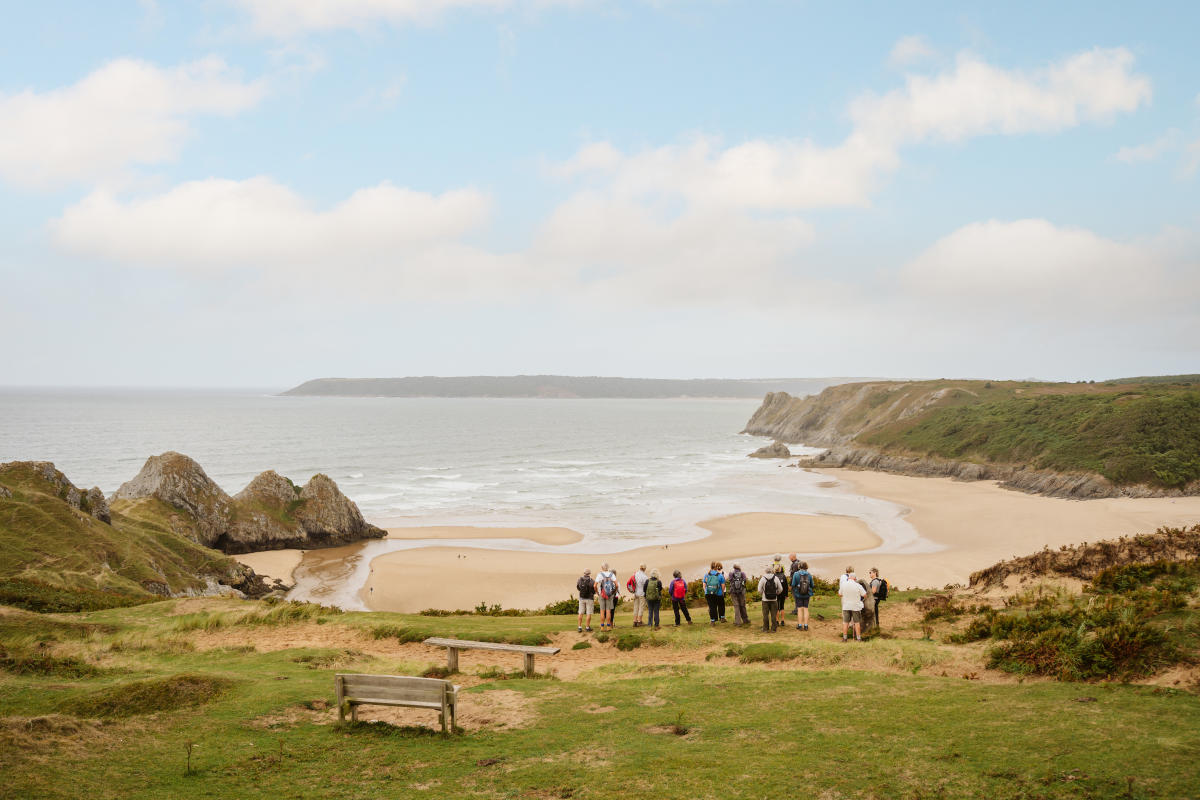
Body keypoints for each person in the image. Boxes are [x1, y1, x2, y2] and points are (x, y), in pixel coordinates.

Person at [839, 570, 867, 642]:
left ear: (849, 578)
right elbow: (865, 595)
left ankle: (845, 638)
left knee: (846, 623)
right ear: (855, 579)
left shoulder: (843, 584)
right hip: (855, 606)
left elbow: (839, 594)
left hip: (846, 606)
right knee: (857, 623)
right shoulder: (858, 585)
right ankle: (858, 639)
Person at [791, 560, 814, 631]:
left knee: (800, 609)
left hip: (798, 594)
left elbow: (793, 584)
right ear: (806, 566)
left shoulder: (796, 574)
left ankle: (800, 625)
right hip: (807, 594)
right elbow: (812, 585)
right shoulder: (809, 574)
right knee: (806, 609)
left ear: (799, 566)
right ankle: (806, 625)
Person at [758, 565, 783, 632]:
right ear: (772, 570)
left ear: (765, 571)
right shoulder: (776, 578)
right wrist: (776, 593)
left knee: (765, 615)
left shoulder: (763, 578)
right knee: (773, 615)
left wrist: (763, 594)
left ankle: (765, 628)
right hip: (774, 599)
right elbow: (780, 589)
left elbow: (759, 590)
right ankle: (773, 628)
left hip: (765, 600)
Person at [596, 562, 619, 631]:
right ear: (608, 567)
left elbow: (595, 585)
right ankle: (608, 626)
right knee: (608, 610)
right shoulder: (612, 574)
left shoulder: (600, 574)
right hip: (609, 594)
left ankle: (602, 627)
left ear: (602, 568)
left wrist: (597, 592)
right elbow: (616, 585)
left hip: (602, 594)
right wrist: (614, 591)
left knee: (602, 611)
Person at [702, 561, 725, 626]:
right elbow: (723, 585)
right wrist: (722, 592)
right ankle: (722, 618)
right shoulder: (720, 575)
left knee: (712, 607)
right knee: (721, 605)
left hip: (708, 593)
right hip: (718, 593)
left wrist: (706, 591)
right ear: (716, 567)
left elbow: (704, 585)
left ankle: (713, 621)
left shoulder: (706, 574)